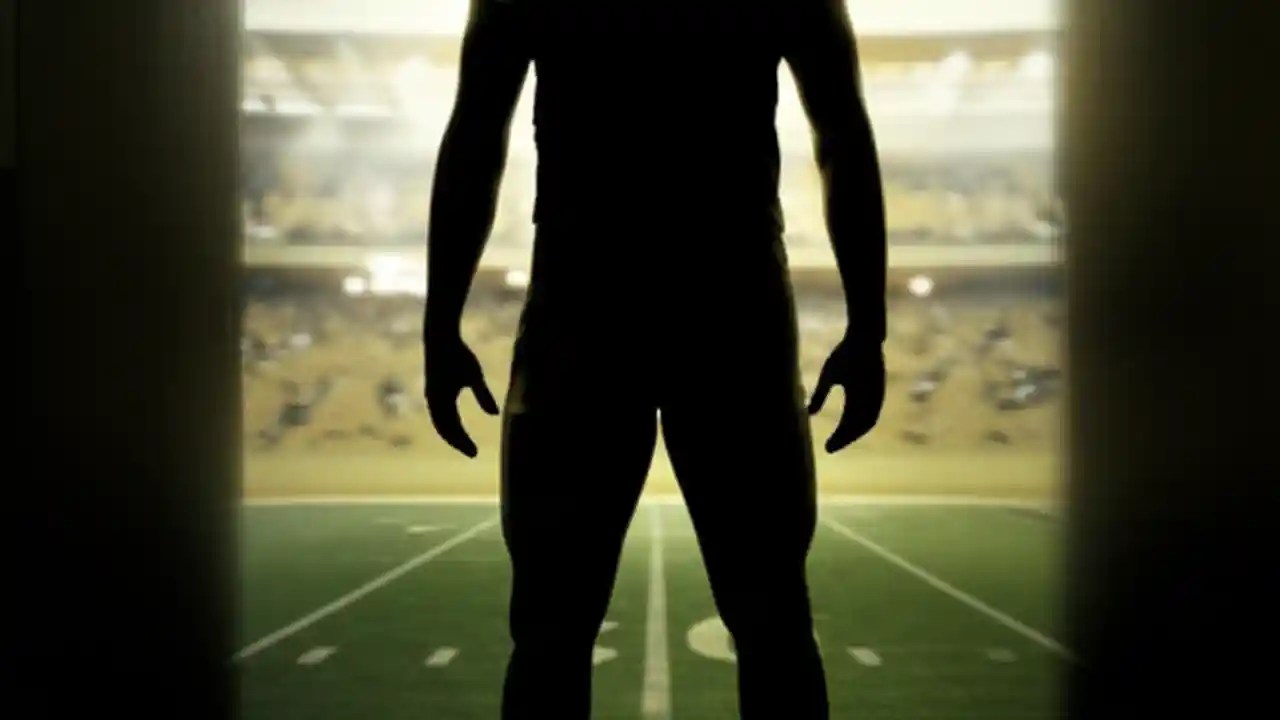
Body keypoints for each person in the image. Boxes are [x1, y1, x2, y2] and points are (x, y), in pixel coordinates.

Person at [421, 1, 886, 717]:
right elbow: (841, 134)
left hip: (586, 294)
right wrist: (867, 327)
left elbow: (479, 133)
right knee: (772, 623)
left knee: (551, 629)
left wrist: (441, 322)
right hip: (731, 296)